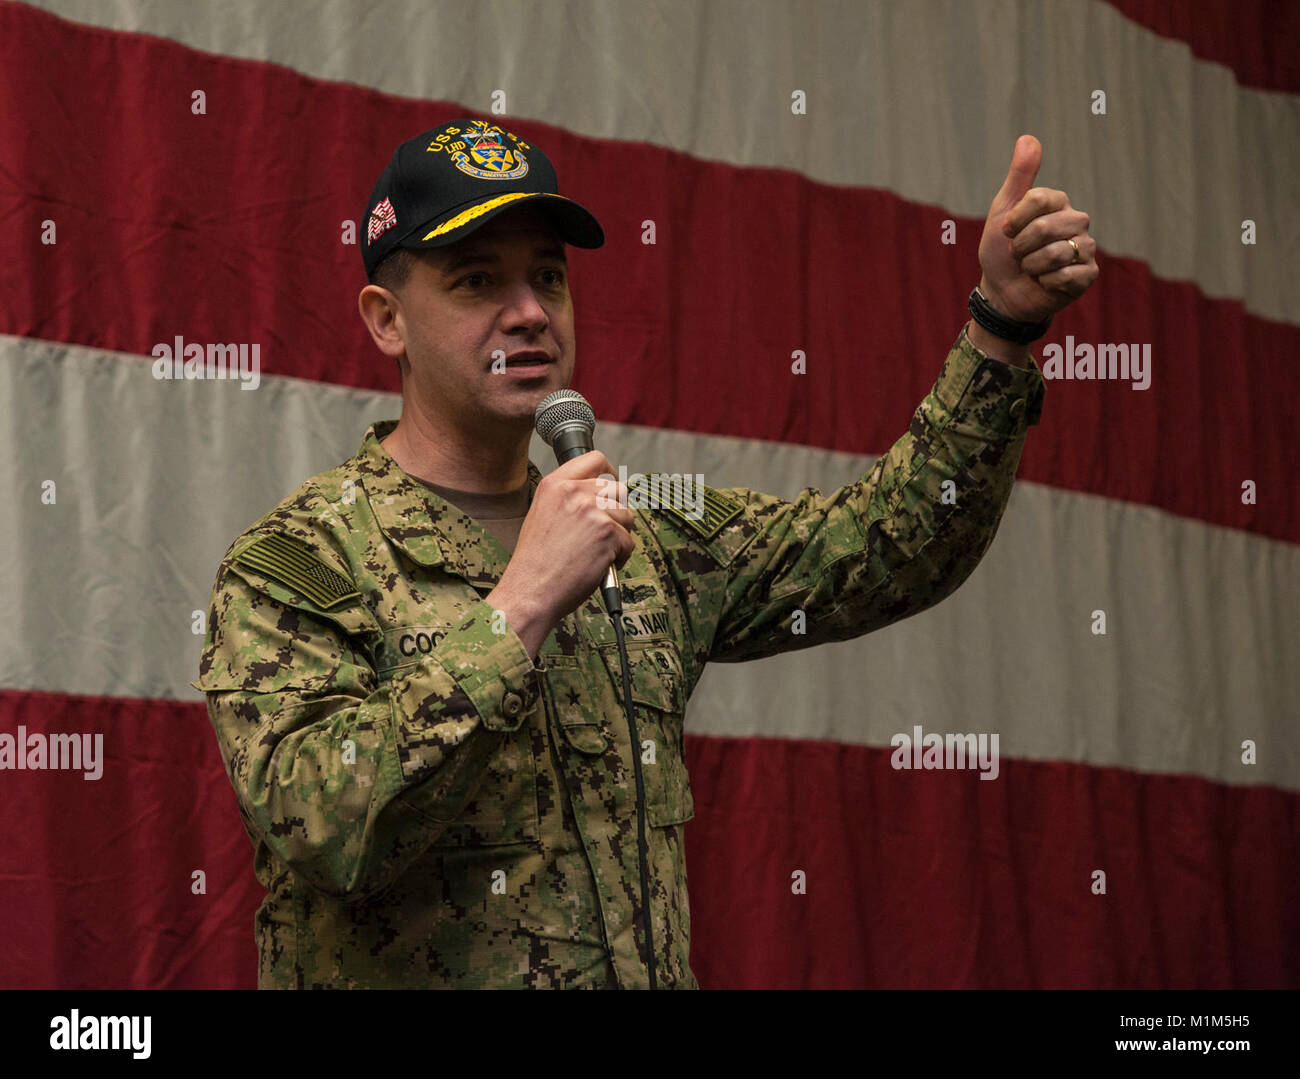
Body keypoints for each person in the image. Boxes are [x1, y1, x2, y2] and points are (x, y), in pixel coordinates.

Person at [194, 118, 1098, 989]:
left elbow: (898, 540)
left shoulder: (646, 531)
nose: (529, 314)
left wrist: (999, 327)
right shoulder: (302, 560)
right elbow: (320, 826)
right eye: (477, 283)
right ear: (387, 321)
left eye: (549, 277)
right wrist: (518, 612)